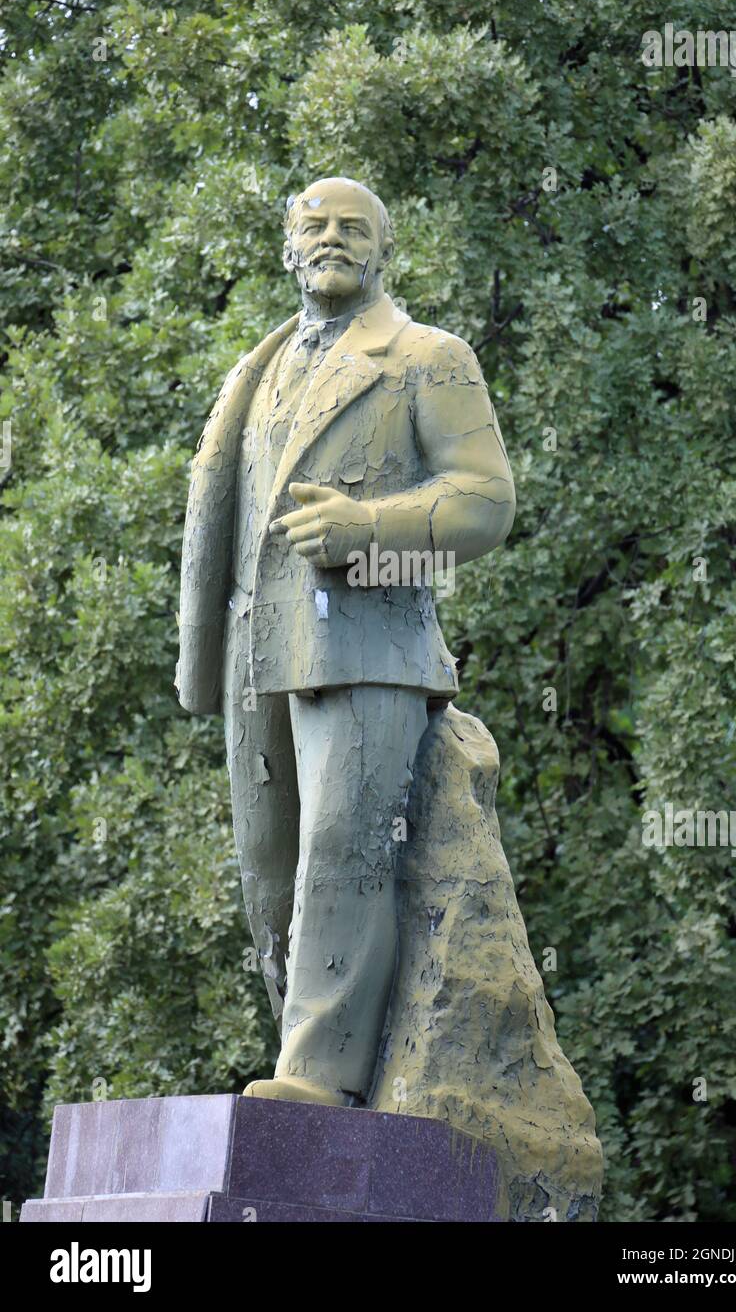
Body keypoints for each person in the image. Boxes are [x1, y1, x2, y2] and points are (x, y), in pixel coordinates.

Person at [176, 176, 515, 1105]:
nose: (331, 238)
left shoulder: (428, 357)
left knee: (347, 851)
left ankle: (319, 1081)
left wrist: (369, 526)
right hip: (259, 657)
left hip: (371, 647)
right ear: (289, 247)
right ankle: (308, 1064)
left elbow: (487, 501)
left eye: (352, 227)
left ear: (383, 251)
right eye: (313, 225)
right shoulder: (257, 366)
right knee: (270, 870)